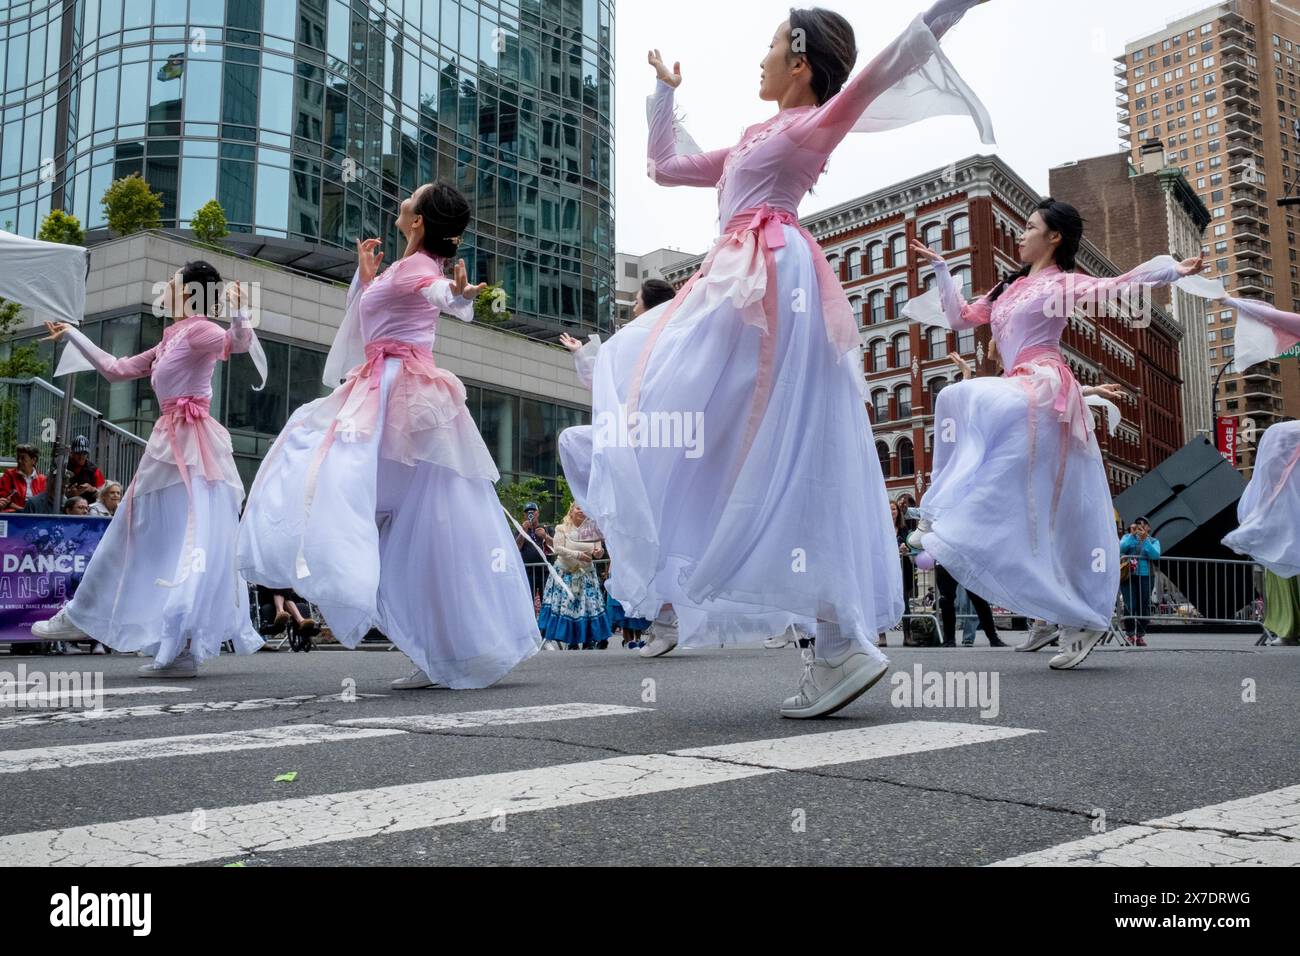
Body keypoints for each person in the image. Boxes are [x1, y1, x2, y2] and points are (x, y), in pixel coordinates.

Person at [556, 2, 995, 718]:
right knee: (724, 444)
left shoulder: (809, 125)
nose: (758, 60)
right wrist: (665, 90)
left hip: (772, 283)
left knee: (762, 448)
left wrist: (950, 8)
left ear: (799, 62)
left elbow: (886, 67)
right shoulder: (750, 139)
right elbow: (663, 168)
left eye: (768, 48)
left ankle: (835, 642)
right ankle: (834, 641)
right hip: (731, 285)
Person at [238, 182, 540, 690]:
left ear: (418, 220)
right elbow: (375, 314)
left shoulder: (422, 269)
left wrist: (459, 295)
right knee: (401, 515)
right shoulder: (403, 266)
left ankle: (418, 629)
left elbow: (439, 294)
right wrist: (365, 278)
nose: (404, 200)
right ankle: (431, 638)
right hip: (381, 385)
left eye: (413, 198)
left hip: (402, 392)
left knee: (360, 488)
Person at [905, 199, 1205, 670]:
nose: (1020, 236)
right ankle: (1054, 608)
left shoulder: (1062, 284)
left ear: (1054, 237)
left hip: (1044, 388)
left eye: (1029, 227)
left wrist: (1171, 270)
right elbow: (961, 317)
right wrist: (943, 268)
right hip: (1018, 392)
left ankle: (1078, 613)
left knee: (978, 414)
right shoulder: (1009, 289)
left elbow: (1117, 285)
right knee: (966, 418)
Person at [32, 262, 265, 676]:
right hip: (167, 446)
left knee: (181, 540)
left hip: (193, 447)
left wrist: (240, 312)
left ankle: (177, 644)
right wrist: (72, 332)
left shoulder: (198, 329)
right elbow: (115, 369)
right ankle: (155, 637)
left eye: (175, 279)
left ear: (190, 293)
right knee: (149, 534)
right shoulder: (170, 338)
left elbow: (236, 343)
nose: (168, 283)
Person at [538, 503, 613, 650]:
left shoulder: (592, 530)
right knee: (568, 607)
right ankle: (571, 640)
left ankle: (589, 639)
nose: (581, 511)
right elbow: (558, 548)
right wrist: (578, 554)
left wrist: (598, 552)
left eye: (584, 509)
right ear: (571, 510)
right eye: (578, 508)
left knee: (588, 606)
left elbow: (599, 550)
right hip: (566, 572)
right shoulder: (562, 528)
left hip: (586, 574)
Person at [1118, 517, 1160, 646]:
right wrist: (1131, 535)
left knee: (1144, 606)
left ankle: (1140, 636)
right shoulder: (1127, 537)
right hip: (1128, 576)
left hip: (1146, 576)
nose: (1140, 527)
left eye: (1144, 524)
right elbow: (1121, 548)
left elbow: (1155, 555)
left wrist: (1144, 539)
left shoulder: (1153, 541)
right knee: (1130, 605)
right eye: (1137, 524)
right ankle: (1130, 635)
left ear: (1148, 528)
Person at [516, 502, 554, 607]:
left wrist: (545, 536)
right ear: (524, 515)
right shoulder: (520, 529)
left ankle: (546, 623)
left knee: (547, 601)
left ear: (538, 513)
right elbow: (517, 547)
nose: (530, 514)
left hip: (545, 571)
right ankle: (529, 623)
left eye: (533, 511)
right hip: (528, 572)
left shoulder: (546, 528)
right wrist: (523, 531)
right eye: (527, 512)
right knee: (527, 601)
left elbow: (556, 546)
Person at [0, 444, 46, 512]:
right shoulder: (9, 475)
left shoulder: (42, 479)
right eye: (18, 458)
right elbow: (4, 499)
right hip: (14, 514)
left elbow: (44, 502)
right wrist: (23, 510)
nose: (19, 461)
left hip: (35, 516)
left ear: (33, 460)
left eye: (23, 458)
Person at [64, 435, 105, 505]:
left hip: (88, 510)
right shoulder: (63, 467)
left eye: (84, 453)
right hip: (65, 509)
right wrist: (68, 493)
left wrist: (92, 489)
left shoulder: (94, 470)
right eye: (78, 453)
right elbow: (51, 493)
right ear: (71, 452)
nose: (81, 457)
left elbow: (104, 495)